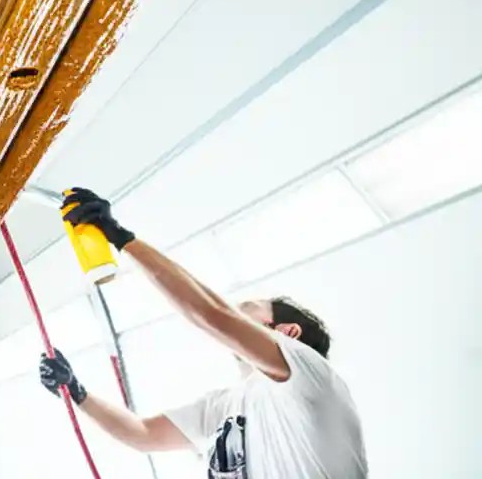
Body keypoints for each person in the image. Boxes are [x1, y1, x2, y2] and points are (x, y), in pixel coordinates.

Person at [37, 188, 367, 478]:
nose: (236, 312)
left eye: (248, 307)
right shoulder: (224, 406)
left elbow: (212, 315)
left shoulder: (311, 373)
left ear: (287, 332)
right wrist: (77, 391)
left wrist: (119, 236)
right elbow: (143, 434)